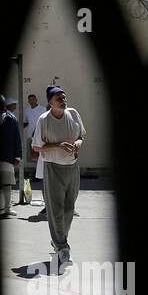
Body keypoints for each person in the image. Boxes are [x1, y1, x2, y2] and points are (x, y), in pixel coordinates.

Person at [31, 85, 86, 270]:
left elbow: (81, 136)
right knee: (55, 210)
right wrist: (58, 145)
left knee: (69, 208)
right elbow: (37, 147)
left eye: (64, 97)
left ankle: (59, 240)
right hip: (53, 168)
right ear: (50, 103)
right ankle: (62, 246)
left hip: (72, 167)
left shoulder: (73, 114)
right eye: (59, 99)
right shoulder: (43, 120)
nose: (63, 101)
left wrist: (78, 142)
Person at [0, 96, 22, 217]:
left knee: (7, 183)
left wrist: (18, 156)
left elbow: (16, 138)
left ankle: (7, 208)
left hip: (7, 156)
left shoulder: (11, 118)